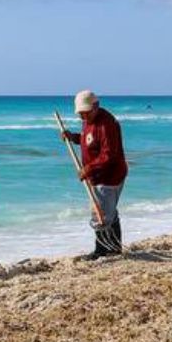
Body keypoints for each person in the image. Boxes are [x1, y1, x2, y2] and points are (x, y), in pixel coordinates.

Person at [60, 91, 127, 260]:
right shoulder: (89, 120)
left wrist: (89, 168)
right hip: (97, 176)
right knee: (108, 211)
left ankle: (102, 250)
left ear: (95, 107)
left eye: (86, 113)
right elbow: (87, 140)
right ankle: (114, 248)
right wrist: (73, 137)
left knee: (101, 214)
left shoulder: (106, 124)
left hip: (109, 176)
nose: (83, 117)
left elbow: (109, 154)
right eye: (80, 114)